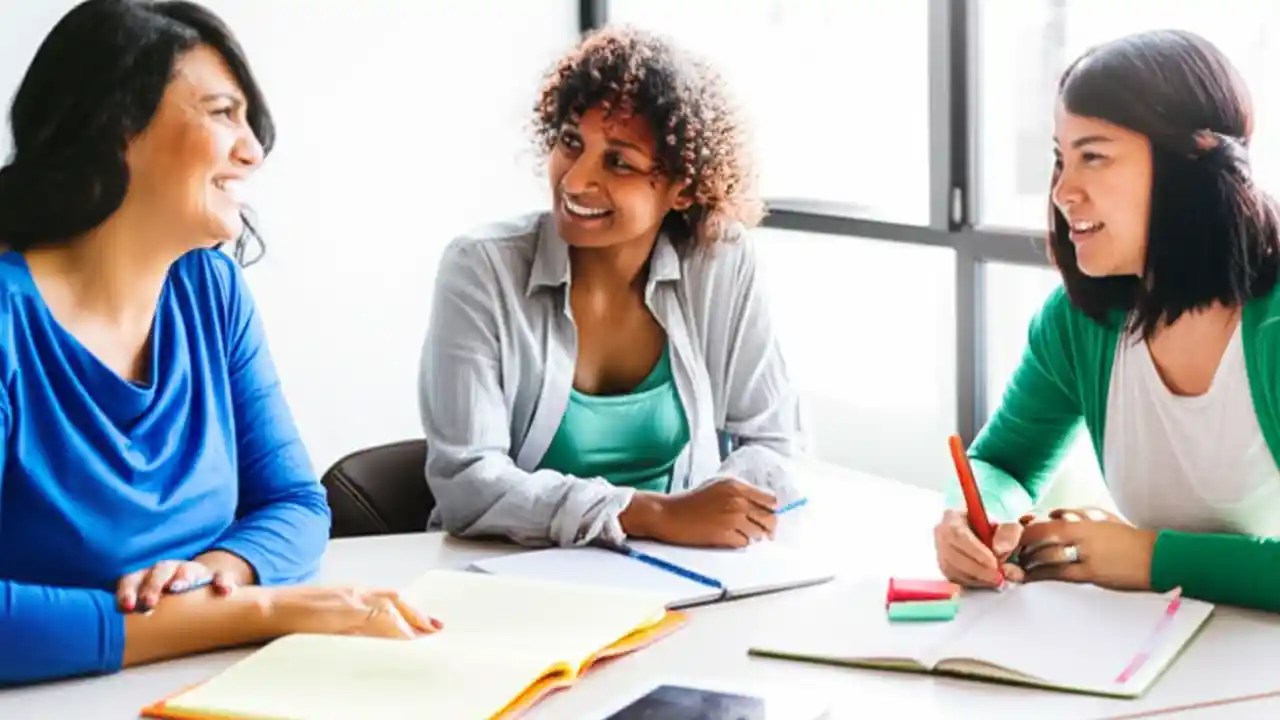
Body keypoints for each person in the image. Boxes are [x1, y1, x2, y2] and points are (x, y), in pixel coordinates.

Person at [0, 0, 436, 687]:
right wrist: (248, 612)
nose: (253, 151)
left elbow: (294, 504)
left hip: (208, 683)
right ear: (115, 127)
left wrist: (217, 575)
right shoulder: (7, 320)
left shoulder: (211, 289)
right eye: (222, 113)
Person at [419, 26, 805, 550]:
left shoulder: (720, 262)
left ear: (683, 188)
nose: (574, 181)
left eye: (618, 161)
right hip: (512, 570)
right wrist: (651, 514)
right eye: (570, 142)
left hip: (681, 569)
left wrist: (719, 509)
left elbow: (777, 444)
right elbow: (468, 483)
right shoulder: (481, 269)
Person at [933, 29, 1280, 611]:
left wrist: (1145, 558)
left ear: (1193, 161)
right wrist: (972, 519)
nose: (1063, 191)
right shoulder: (1078, 322)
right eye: (1060, 159)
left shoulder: (1270, 327)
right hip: (1164, 645)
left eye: (1093, 156)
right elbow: (1000, 462)